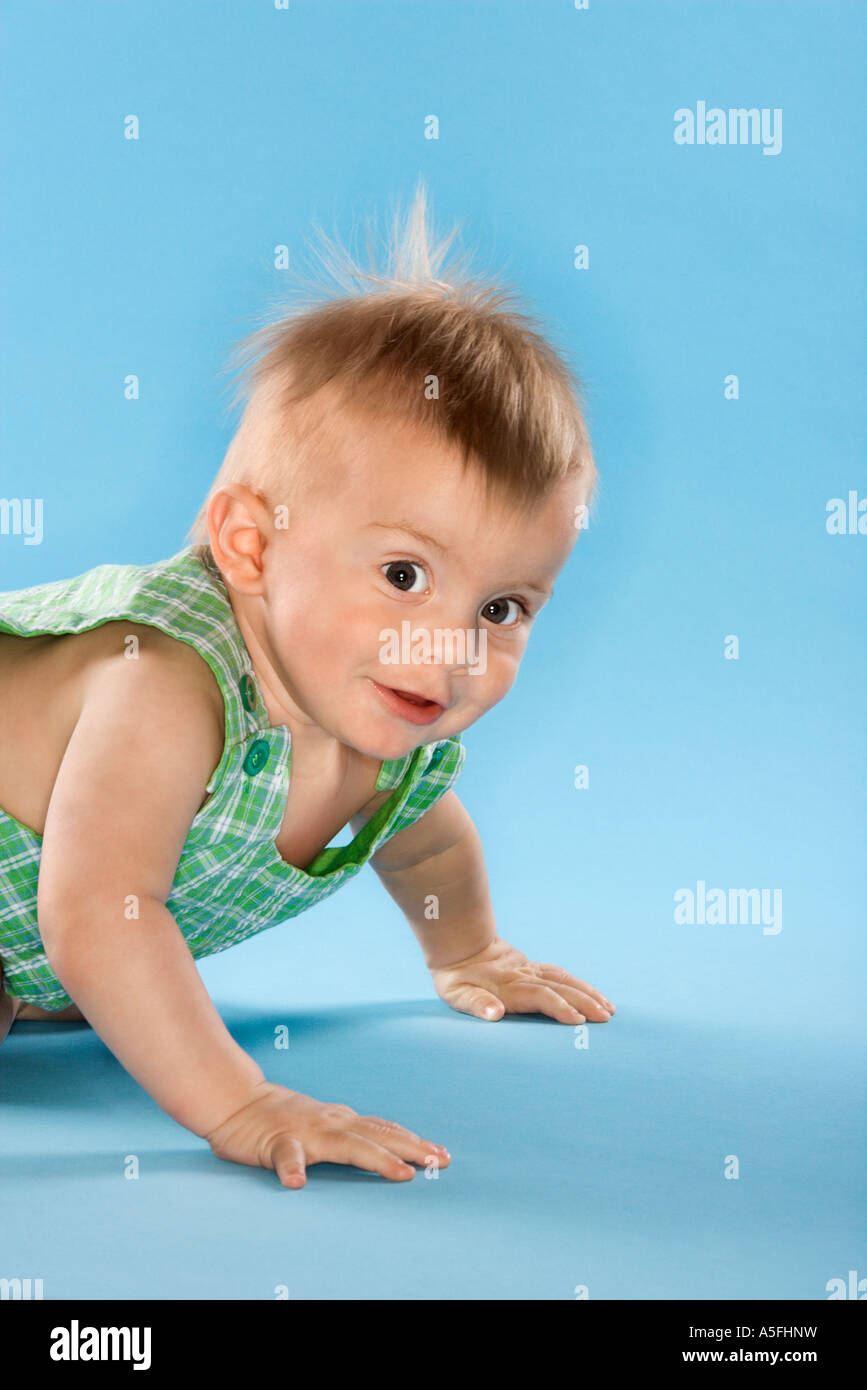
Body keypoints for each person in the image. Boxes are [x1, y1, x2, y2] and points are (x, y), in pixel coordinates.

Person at [0, 184, 614, 1187]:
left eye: (503, 608)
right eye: (404, 576)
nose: (453, 651)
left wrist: (468, 951)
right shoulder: (165, 685)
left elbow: (429, 841)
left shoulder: (380, 735)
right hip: (58, 905)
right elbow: (94, 907)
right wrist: (241, 1100)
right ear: (250, 544)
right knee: (91, 957)